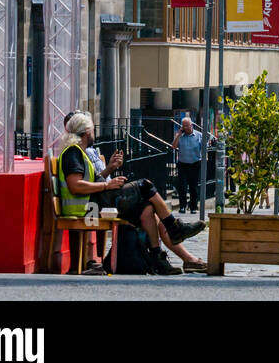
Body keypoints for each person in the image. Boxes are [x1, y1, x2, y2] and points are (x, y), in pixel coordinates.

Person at [56, 112, 204, 276]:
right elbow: (75, 186)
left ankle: (157, 257)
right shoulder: (73, 153)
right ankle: (175, 227)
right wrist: (107, 186)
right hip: (88, 208)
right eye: (92, 130)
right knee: (145, 186)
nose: (94, 133)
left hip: (92, 203)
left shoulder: (79, 152)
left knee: (147, 207)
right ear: (84, 133)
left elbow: (88, 181)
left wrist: (110, 170)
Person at [171, 116, 207, 214]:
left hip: (195, 164)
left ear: (191, 125)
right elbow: (173, 146)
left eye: (187, 125)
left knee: (193, 187)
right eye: (184, 126)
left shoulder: (199, 135)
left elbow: (204, 149)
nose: (186, 127)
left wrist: (204, 159)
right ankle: (182, 206)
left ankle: (193, 207)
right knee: (182, 186)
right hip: (183, 164)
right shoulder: (180, 136)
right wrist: (178, 134)